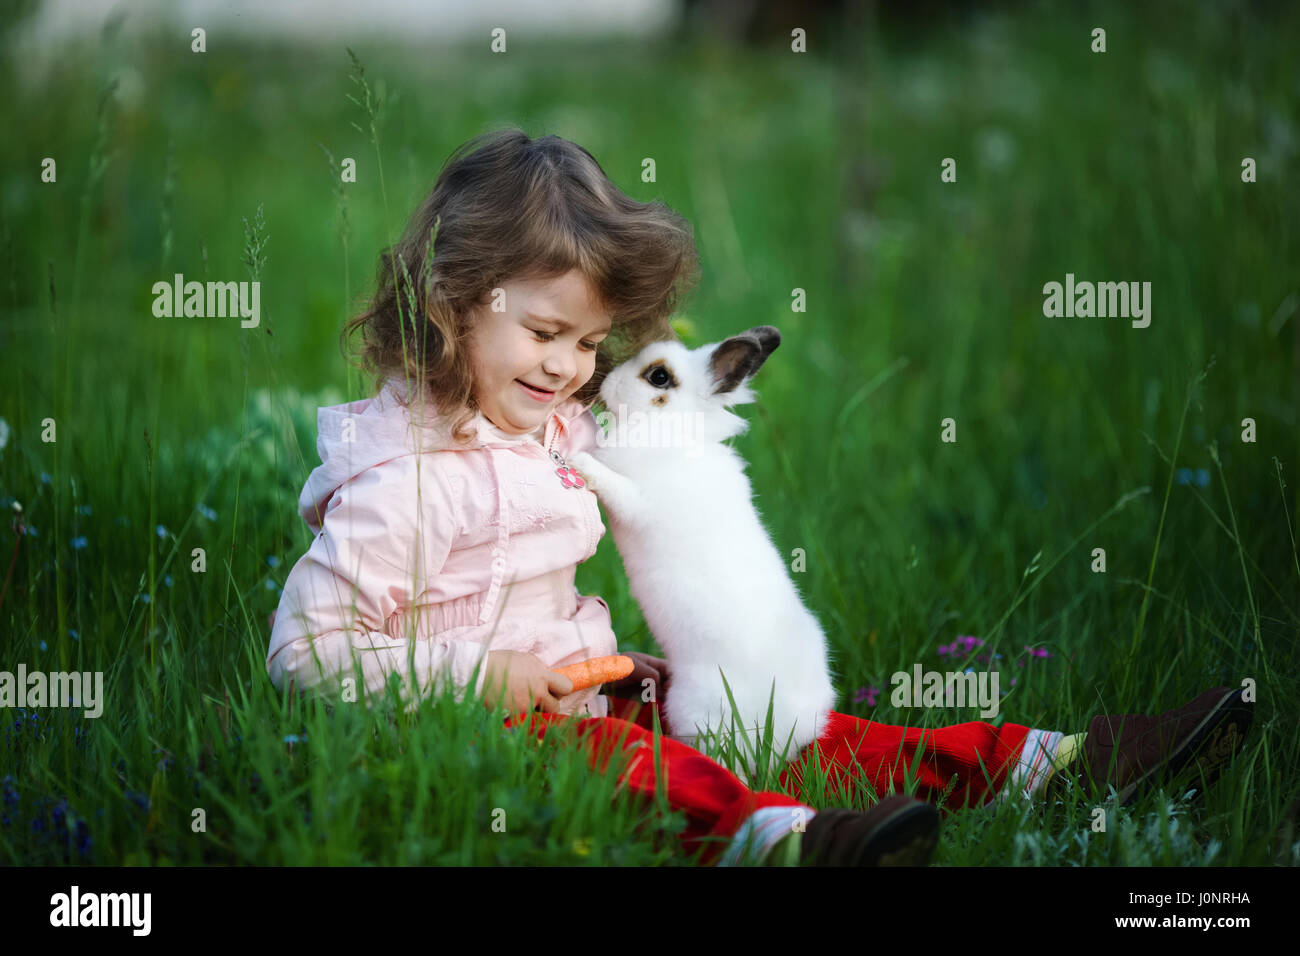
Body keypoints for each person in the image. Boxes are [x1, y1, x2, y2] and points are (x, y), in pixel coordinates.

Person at [265, 128, 1254, 866]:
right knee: (624, 761)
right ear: (450, 302)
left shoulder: (553, 426)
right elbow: (304, 655)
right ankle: (777, 836)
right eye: (544, 333)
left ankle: (1044, 759)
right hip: (466, 719)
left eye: (586, 341)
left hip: (584, 677)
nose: (570, 366)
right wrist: (476, 676)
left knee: (784, 717)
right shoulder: (399, 483)